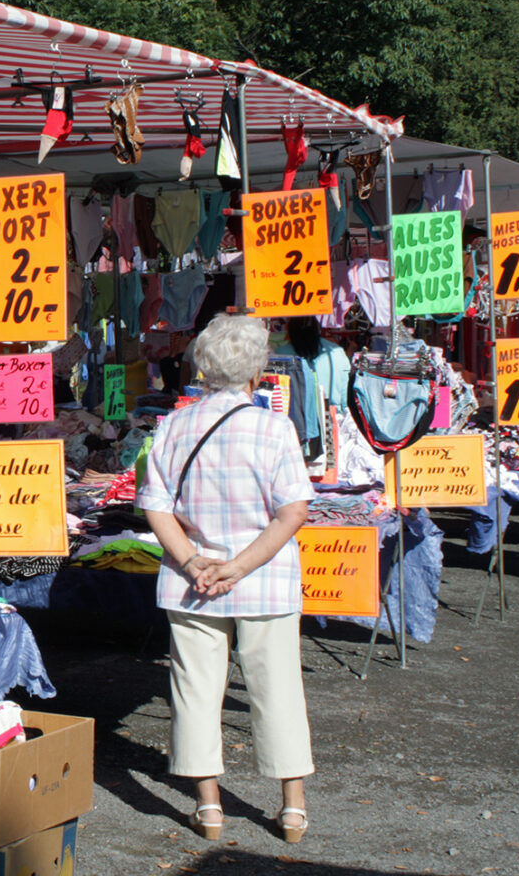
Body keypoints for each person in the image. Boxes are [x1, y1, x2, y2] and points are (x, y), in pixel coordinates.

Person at [135, 313, 316, 844]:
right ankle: (292, 809)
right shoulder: (273, 428)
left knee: (194, 689)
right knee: (278, 687)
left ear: (202, 368)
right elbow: (294, 511)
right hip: (263, 579)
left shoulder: (173, 425)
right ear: (258, 370)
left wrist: (193, 561)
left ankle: (209, 808)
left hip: (191, 580)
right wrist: (238, 566)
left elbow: (156, 507)